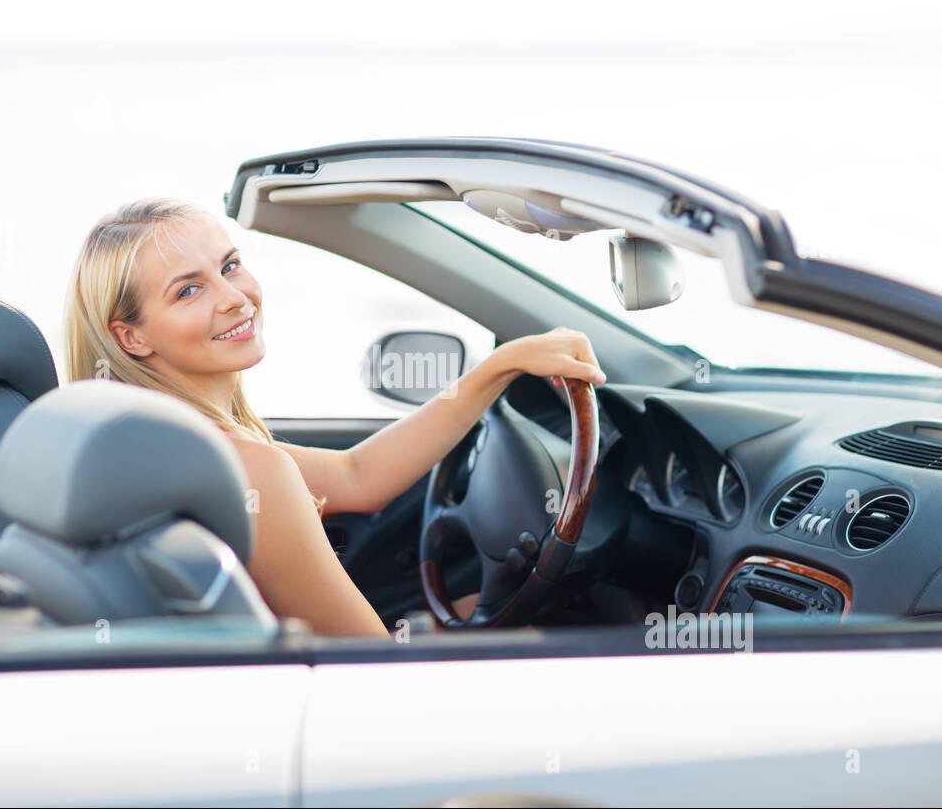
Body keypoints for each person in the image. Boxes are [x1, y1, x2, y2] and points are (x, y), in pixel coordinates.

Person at [62, 198, 606, 638]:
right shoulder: (247, 470)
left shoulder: (172, 445)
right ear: (130, 337)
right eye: (189, 290)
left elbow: (356, 478)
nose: (235, 298)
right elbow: (371, 668)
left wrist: (499, 366)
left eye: (229, 266)